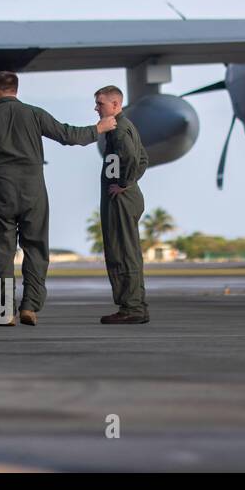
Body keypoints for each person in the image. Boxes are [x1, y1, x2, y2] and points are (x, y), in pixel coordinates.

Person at [0, 71, 116, 325]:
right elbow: (67, 136)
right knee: (35, 248)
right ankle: (30, 307)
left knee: (3, 251)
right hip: (33, 191)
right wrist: (97, 129)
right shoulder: (35, 114)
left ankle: (6, 311)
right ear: (16, 89)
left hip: (1, 190)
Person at [93, 85, 150, 324]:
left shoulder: (118, 130)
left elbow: (130, 158)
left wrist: (123, 184)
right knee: (128, 252)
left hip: (120, 200)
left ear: (115, 105)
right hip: (126, 197)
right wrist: (129, 183)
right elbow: (143, 159)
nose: (96, 108)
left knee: (122, 253)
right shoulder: (126, 127)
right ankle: (136, 305)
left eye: (100, 103)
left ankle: (132, 308)